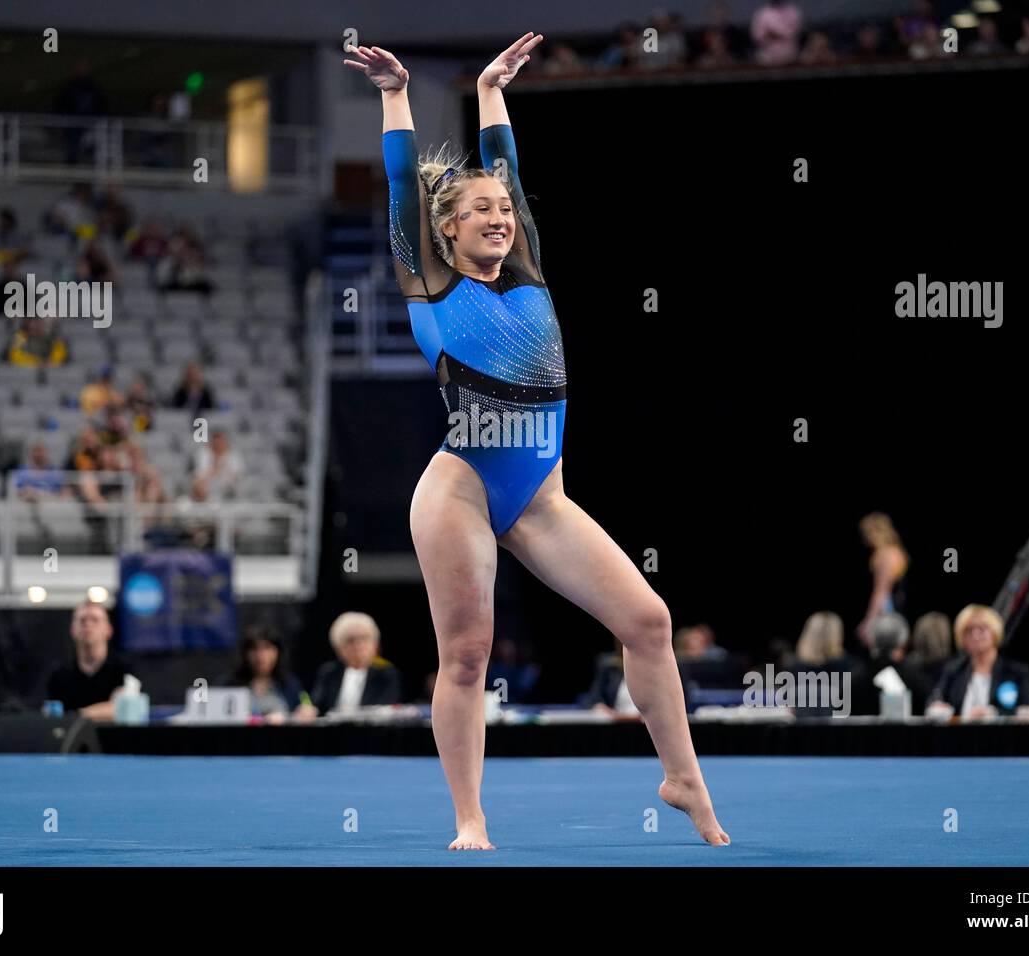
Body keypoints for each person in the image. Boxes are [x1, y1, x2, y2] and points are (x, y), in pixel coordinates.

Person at [349, 34, 728, 849]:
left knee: (650, 621)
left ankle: (682, 777)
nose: (497, 215)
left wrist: (492, 89)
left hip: (543, 496)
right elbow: (399, 188)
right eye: (478, 209)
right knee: (467, 655)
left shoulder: (528, 276)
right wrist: (395, 96)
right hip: (460, 489)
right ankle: (470, 817)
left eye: (503, 209)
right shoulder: (429, 284)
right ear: (445, 231)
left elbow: (508, 170)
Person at [926, 604, 1029, 719]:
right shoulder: (954, 670)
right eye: (968, 630)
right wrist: (937, 706)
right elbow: (935, 698)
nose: (975, 635)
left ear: (994, 632)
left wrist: (994, 713)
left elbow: (1026, 710)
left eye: (982, 629)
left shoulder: (1015, 672)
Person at [45, 600, 132, 719]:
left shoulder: (123, 671)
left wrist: (76, 715)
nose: (88, 625)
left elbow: (121, 708)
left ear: (108, 630)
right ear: (72, 630)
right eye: (82, 620)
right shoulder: (59, 676)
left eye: (95, 620)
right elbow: (50, 715)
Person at [309, 612, 402, 716]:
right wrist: (309, 711)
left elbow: (385, 709)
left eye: (364, 639)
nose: (358, 646)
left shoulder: (386, 674)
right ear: (339, 647)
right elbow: (316, 707)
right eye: (350, 640)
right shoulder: (329, 672)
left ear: (375, 645)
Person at [218, 627, 317, 723]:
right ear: (245, 654)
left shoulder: (290, 684)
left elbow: (305, 704)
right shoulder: (229, 683)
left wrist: (305, 711)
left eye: (267, 648)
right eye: (254, 649)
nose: (260, 656)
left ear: (277, 652)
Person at [857, 512, 908, 642]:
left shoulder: (884, 555)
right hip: (897, 608)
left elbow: (882, 590)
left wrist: (869, 620)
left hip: (886, 611)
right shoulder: (897, 551)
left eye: (866, 533)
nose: (864, 538)